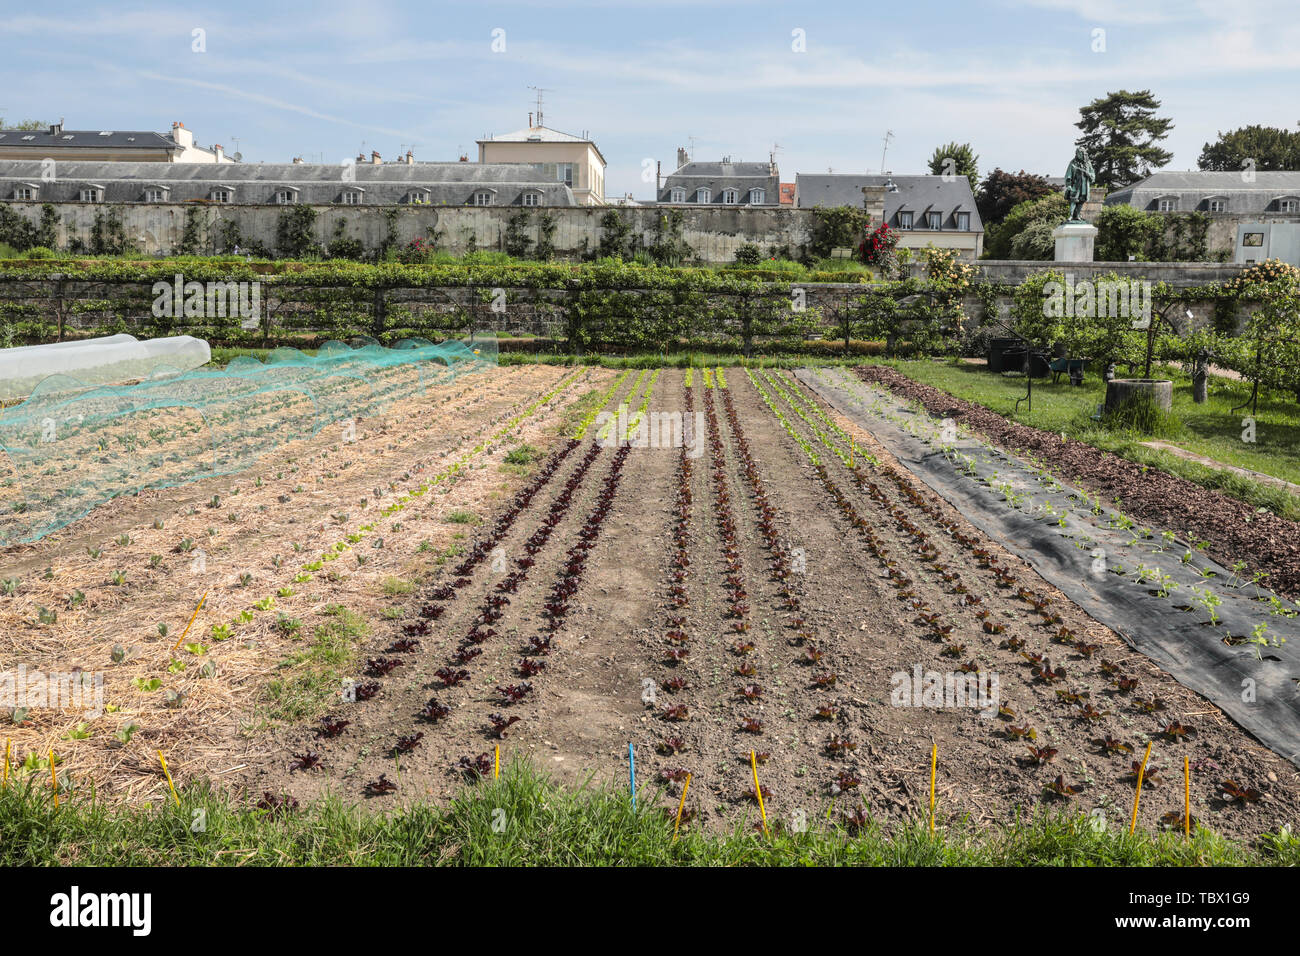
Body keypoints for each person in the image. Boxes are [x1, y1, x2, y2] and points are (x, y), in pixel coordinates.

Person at [1064, 147, 1095, 221]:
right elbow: (1068, 174)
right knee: (1073, 199)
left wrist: (1089, 174)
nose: (1078, 155)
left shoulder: (1088, 163)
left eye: (1080, 153)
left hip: (1084, 185)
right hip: (1076, 184)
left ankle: (1077, 215)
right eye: (1077, 153)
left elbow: (1092, 174)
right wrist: (1068, 185)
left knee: (1082, 200)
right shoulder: (1073, 162)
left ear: (1083, 154)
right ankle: (1071, 215)